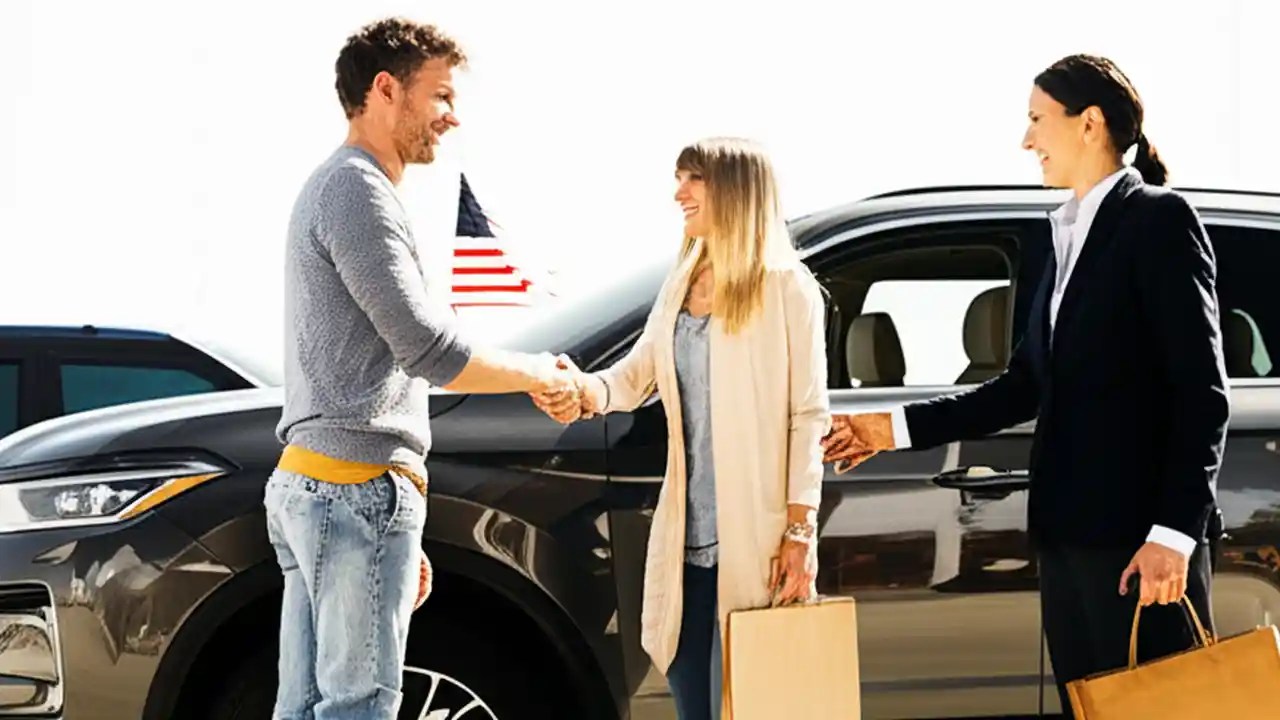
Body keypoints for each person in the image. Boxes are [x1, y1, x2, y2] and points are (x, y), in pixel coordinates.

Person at [822, 54, 1229, 716]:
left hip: (1138, 543)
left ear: (1089, 123)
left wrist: (1174, 535)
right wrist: (889, 428)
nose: (1027, 139)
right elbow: (1022, 387)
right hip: (1071, 540)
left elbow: (1201, 395)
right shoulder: (1062, 236)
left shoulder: (1159, 221)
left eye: (1038, 119)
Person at [266, 18, 577, 720]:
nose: (452, 115)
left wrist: (395, 525)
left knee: (306, 708)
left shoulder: (341, 188)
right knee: (359, 708)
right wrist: (540, 374)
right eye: (440, 95)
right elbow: (428, 349)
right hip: (350, 489)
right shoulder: (356, 191)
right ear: (386, 89)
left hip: (329, 487)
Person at [534, 137, 831, 720]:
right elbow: (632, 378)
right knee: (692, 698)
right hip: (686, 544)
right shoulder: (682, 282)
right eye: (679, 179)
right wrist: (578, 390)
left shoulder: (787, 287)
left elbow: (808, 414)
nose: (679, 194)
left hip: (760, 542)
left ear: (737, 190)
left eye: (694, 179)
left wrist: (801, 533)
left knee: (757, 704)